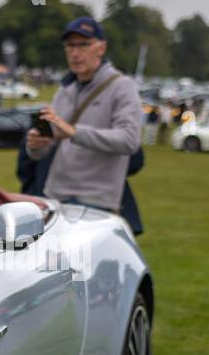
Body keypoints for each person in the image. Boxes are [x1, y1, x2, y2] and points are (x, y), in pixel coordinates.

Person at [25, 17, 142, 216]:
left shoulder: (122, 86)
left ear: (101, 48)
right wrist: (36, 145)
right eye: (70, 45)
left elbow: (130, 140)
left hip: (97, 202)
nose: (75, 53)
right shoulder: (64, 91)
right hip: (55, 197)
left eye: (84, 44)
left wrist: (74, 132)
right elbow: (47, 146)